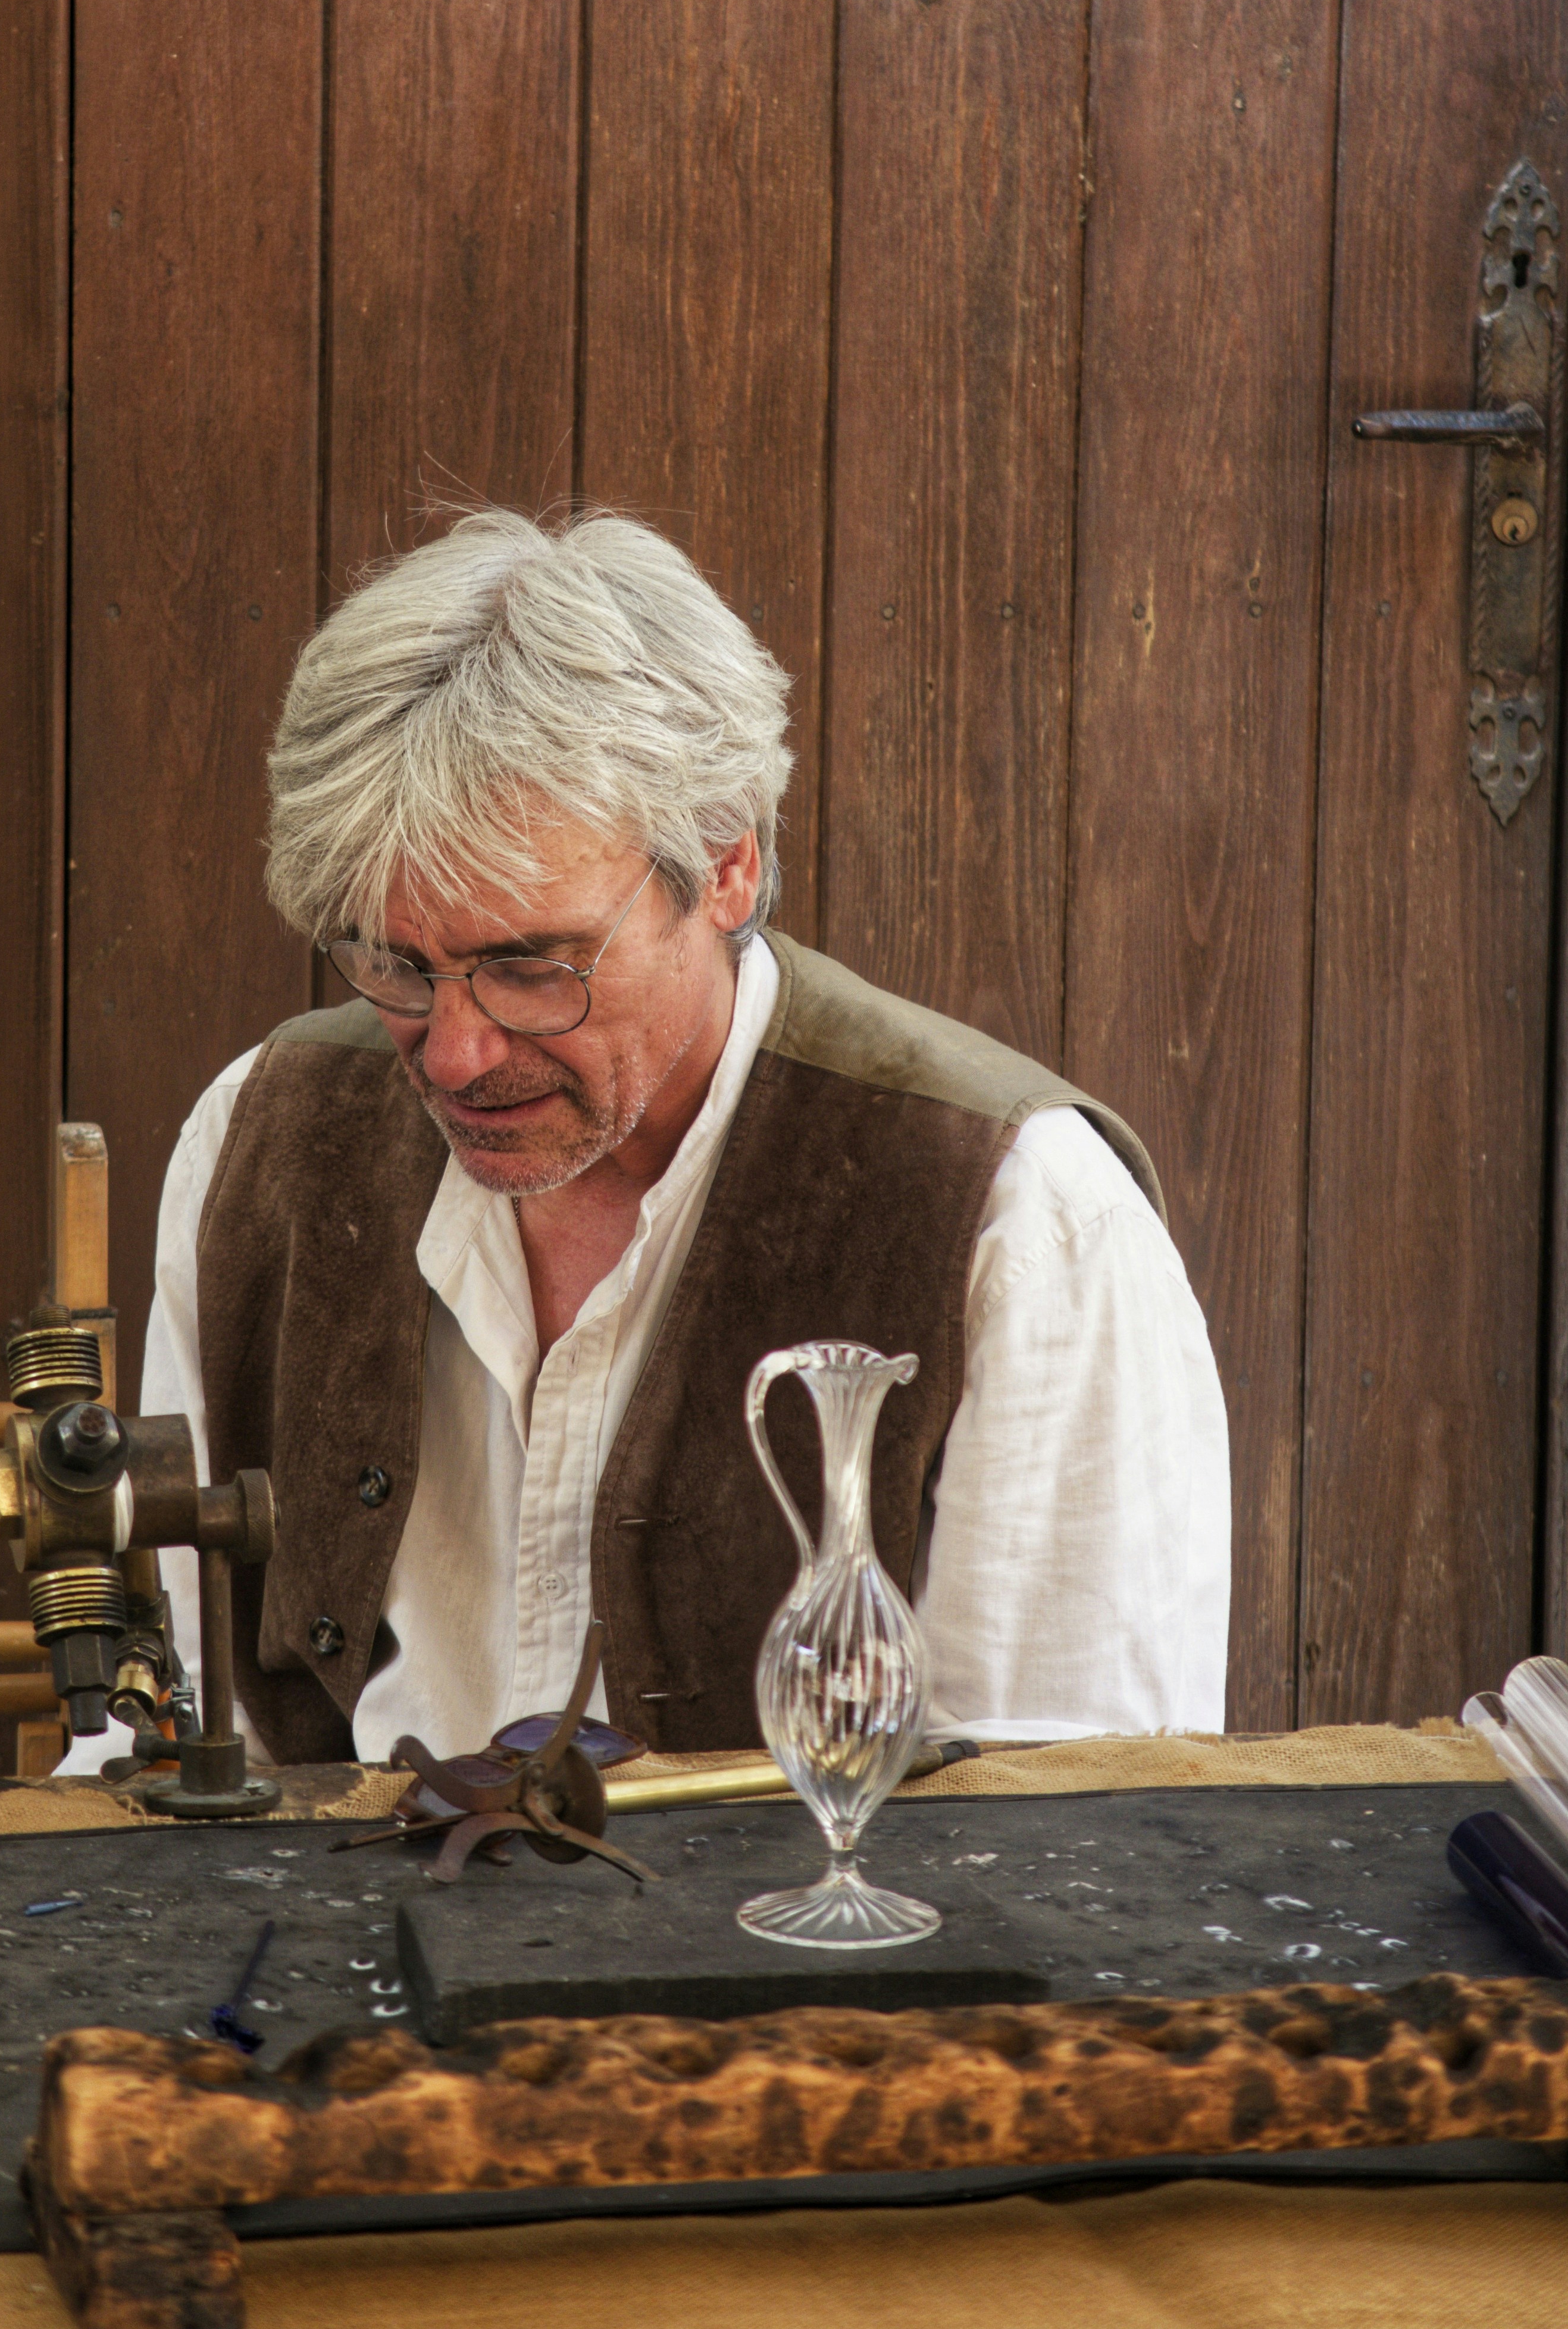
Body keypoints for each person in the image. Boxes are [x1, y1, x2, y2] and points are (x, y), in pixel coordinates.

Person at [117, 508, 1229, 1771]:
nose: (455, 1052)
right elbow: (173, 1721)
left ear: (725, 867)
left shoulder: (1022, 1224)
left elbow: (1066, 1815)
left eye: (530, 966)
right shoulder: (261, 1139)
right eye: (397, 965)